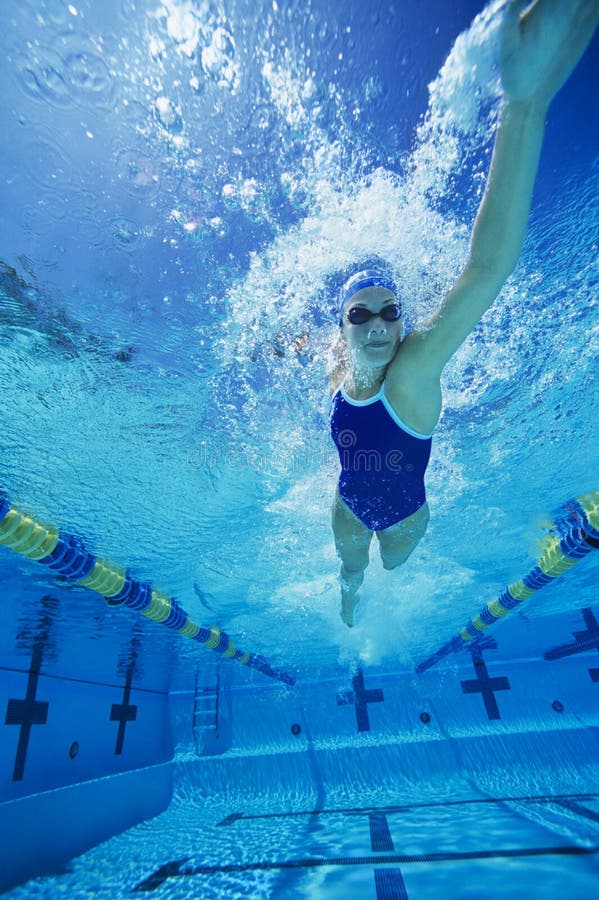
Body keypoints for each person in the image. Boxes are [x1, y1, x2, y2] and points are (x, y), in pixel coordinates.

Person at [329, 0, 599, 627]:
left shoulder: (412, 371)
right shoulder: (339, 361)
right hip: (345, 508)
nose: (376, 323)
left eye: (390, 312)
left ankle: (376, 602)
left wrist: (523, 106)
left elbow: (487, 268)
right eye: (360, 313)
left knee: (391, 567)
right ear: (343, 327)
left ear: (402, 322)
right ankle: (351, 598)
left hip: (402, 519)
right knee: (350, 572)